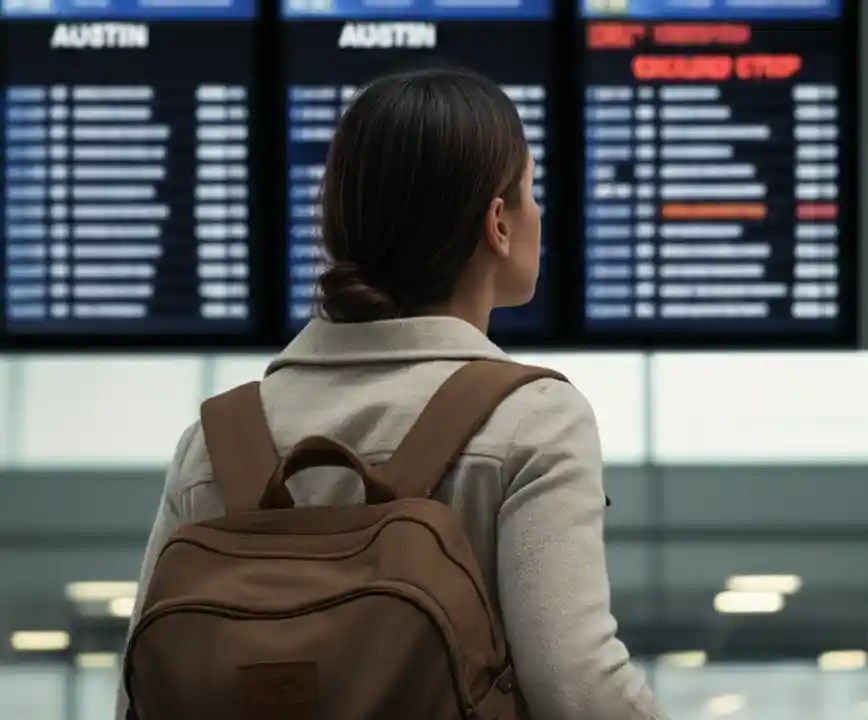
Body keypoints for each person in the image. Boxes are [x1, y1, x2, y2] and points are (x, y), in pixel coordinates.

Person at [117, 68, 666, 719]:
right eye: (531, 191)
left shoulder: (216, 442)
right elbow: (577, 685)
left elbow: (137, 697)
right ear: (498, 223)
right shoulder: (533, 420)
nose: (540, 213)